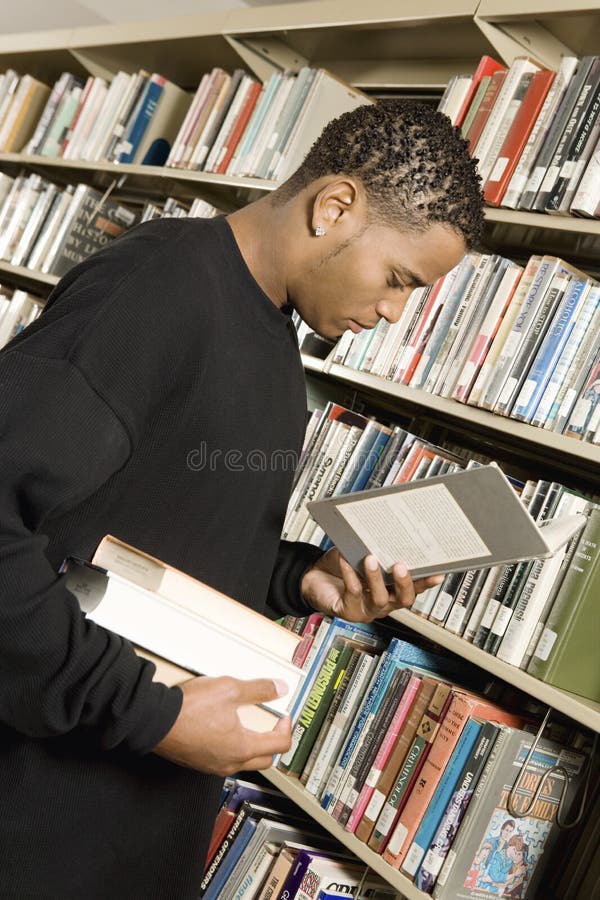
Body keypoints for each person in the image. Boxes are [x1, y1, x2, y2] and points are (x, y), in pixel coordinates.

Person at [0, 99, 483, 899]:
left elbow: (155, 535)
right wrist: (150, 714)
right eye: (399, 279)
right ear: (335, 208)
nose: (396, 311)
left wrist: (300, 579)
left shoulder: (273, 340)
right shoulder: (153, 292)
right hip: (41, 829)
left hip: (136, 823)